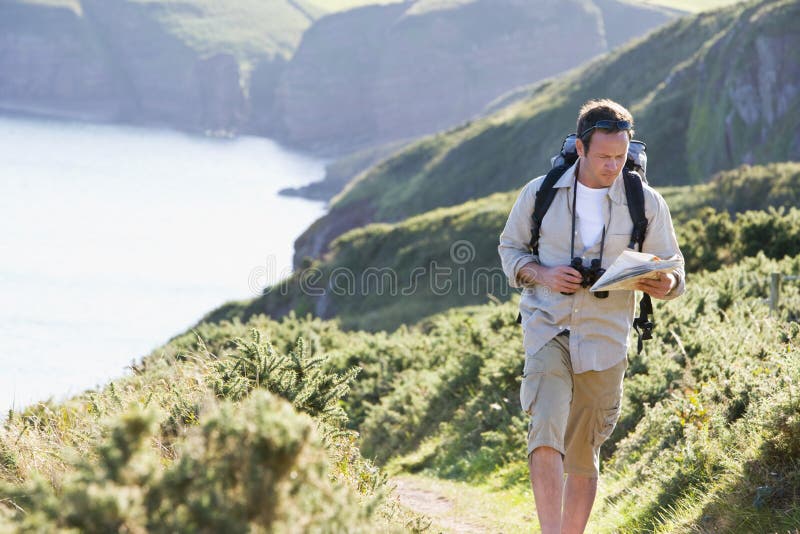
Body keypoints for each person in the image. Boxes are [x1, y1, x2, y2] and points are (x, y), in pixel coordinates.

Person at [497, 98, 685, 533]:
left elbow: (674, 269)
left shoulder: (646, 202)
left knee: (584, 452)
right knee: (545, 430)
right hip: (548, 327)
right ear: (580, 149)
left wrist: (663, 284)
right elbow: (510, 250)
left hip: (606, 339)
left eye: (621, 157)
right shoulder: (539, 192)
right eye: (603, 157)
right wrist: (542, 273)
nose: (613, 166)